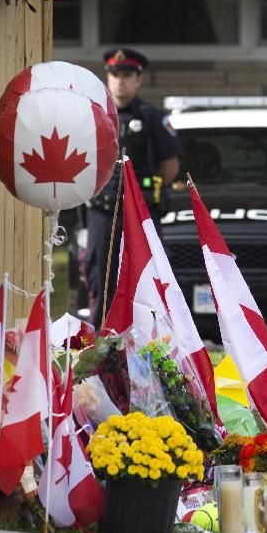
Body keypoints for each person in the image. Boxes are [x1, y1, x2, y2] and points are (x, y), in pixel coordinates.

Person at [81, 48, 182, 328]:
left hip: (141, 214)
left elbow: (170, 165)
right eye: (115, 75)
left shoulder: (153, 118)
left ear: (138, 80)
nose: (120, 81)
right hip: (102, 212)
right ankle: (101, 346)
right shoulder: (92, 116)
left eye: (127, 75)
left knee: (149, 282)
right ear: (107, 78)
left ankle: (153, 345)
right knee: (101, 281)